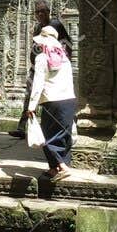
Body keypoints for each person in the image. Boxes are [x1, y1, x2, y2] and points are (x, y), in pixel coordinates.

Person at [11, 0, 71, 138]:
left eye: (42, 11)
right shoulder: (38, 28)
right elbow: (35, 45)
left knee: (49, 97)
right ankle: (22, 127)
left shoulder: (55, 25)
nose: (40, 14)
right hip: (36, 66)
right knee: (29, 95)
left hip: (51, 67)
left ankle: (49, 128)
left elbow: (67, 43)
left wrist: (60, 61)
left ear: (48, 12)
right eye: (37, 12)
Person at [25, 25, 77, 181]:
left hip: (52, 101)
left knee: (48, 136)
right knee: (63, 134)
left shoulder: (42, 58)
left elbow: (38, 83)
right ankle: (54, 169)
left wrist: (31, 106)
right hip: (68, 100)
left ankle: (62, 167)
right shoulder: (65, 58)